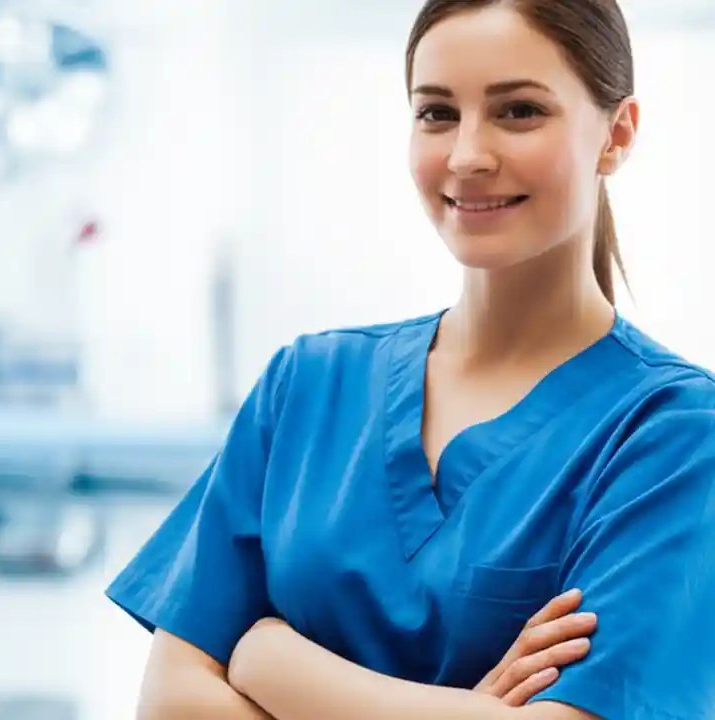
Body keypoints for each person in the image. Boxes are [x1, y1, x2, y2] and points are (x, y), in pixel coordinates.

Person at [106, 1, 715, 718]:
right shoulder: (306, 385)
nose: (467, 156)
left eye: (518, 111)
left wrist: (274, 661)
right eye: (436, 114)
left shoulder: (672, 435)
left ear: (617, 134)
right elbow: (171, 704)